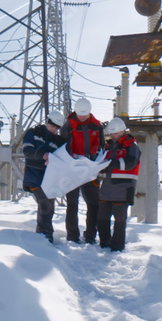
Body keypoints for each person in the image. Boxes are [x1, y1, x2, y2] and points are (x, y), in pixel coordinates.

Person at [59, 97, 104, 244]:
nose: (82, 117)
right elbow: (62, 147)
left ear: (90, 113)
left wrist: (97, 162)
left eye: (85, 115)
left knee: (94, 203)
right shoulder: (68, 126)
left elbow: (102, 146)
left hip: (91, 168)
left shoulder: (97, 126)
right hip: (72, 168)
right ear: (76, 112)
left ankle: (90, 235)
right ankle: (72, 236)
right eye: (80, 115)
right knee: (72, 203)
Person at [22, 110, 67, 243]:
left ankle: (43, 237)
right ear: (47, 121)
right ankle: (45, 237)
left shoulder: (58, 141)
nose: (54, 129)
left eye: (57, 128)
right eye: (52, 126)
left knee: (49, 207)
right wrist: (43, 155)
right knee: (45, 205)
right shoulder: (33, 133)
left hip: (49, 179)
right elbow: (27, 151)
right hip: (34, 178)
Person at [98, 117, 140, 252]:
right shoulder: (108, 147)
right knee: (102, 218)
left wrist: (110, 163)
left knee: (119, 221)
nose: (112, 136)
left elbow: (130, 163)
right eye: (110, 134)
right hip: (107, 188)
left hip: (123, 189)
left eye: (114, 134)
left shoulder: (132, 147)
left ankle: (117, 247)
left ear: (122, 131)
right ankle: (104, 244)